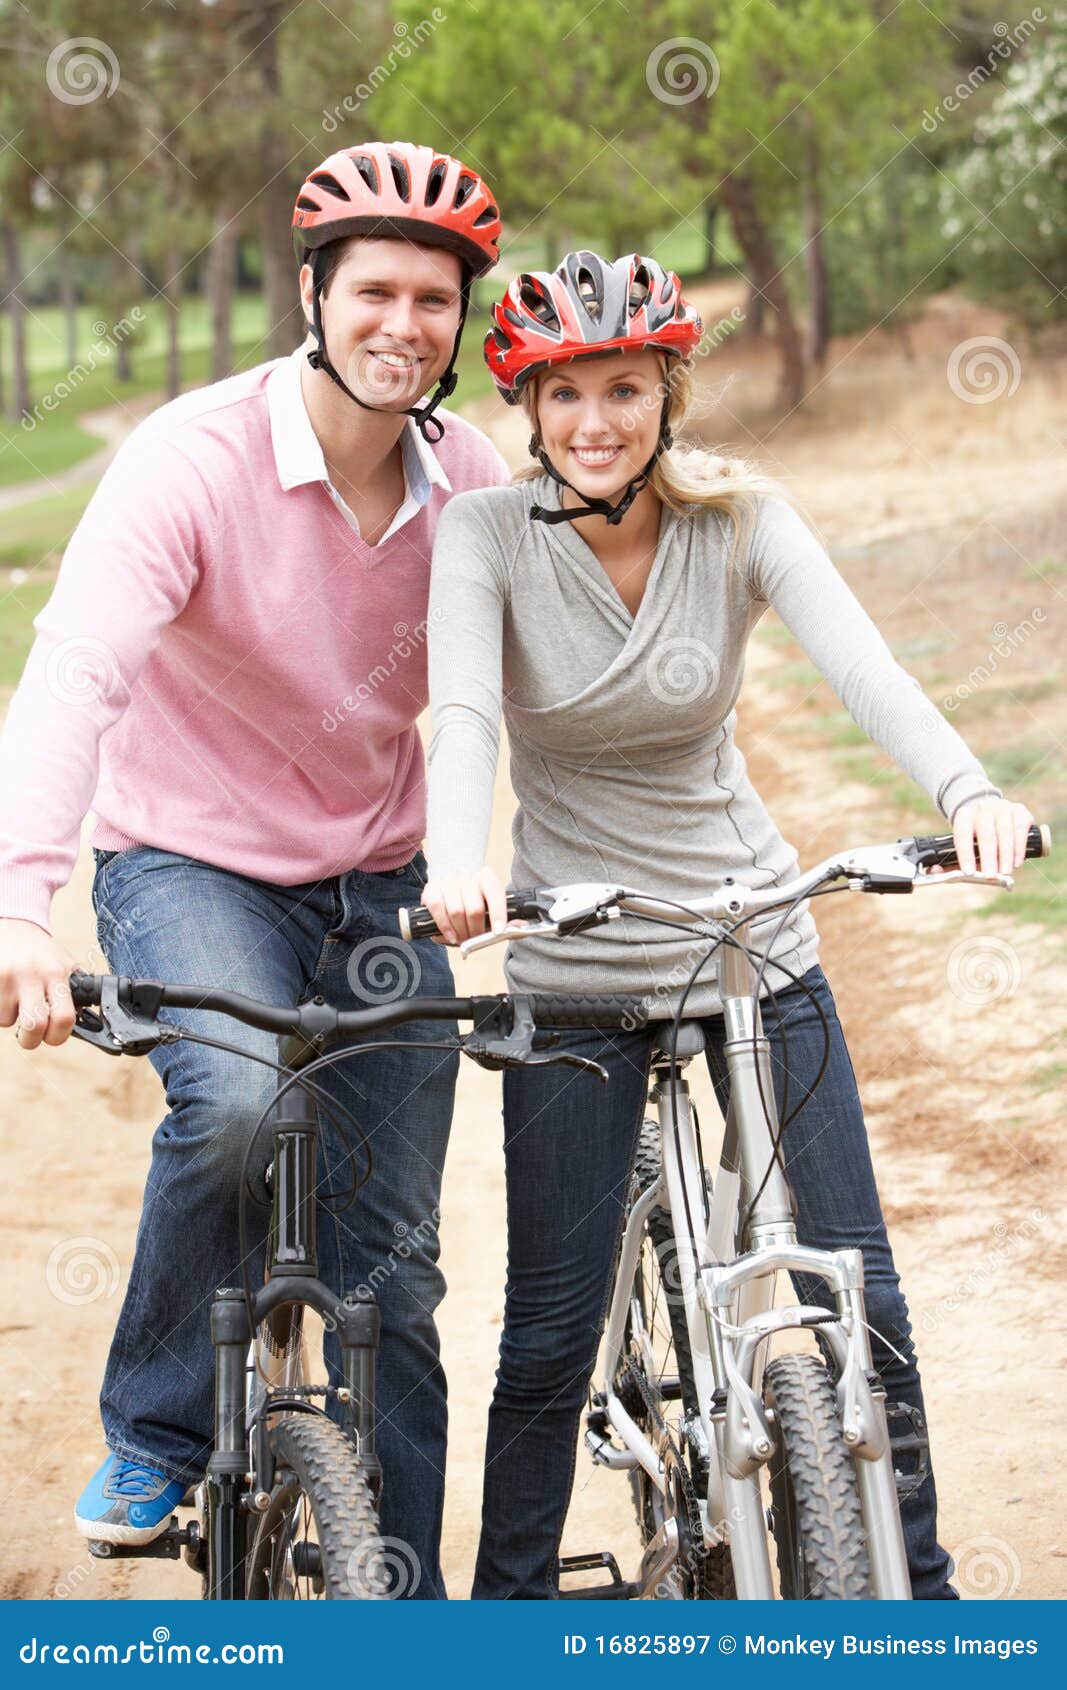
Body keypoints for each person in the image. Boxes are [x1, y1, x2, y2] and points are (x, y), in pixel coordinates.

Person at [420, 249, 1035, 1599]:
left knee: (859, 1293)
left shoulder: (741, 516)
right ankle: (505, 1622)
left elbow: (862, 663)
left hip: (754, 936)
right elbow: (463, 715)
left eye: (625, 388)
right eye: (565, 392)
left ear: (668, 391)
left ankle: (919, 1597)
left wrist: (968, 787)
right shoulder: (484, 538)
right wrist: (456, 859)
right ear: (526, 404)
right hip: (578, 960)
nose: (596, 420)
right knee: (548, 1336)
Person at [0, 141, 507, 1598]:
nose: (404, 324)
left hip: (379, 881)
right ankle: (157, 1427)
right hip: (189, 864)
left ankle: (393, 1601)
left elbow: (519, 688)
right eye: (375, 292)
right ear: (311, 293)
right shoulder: (192, 459)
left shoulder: (468, 481)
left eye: (434, 297)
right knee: (227, 1098)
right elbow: (78, 673)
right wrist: (20, 900)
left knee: (394, 1275)